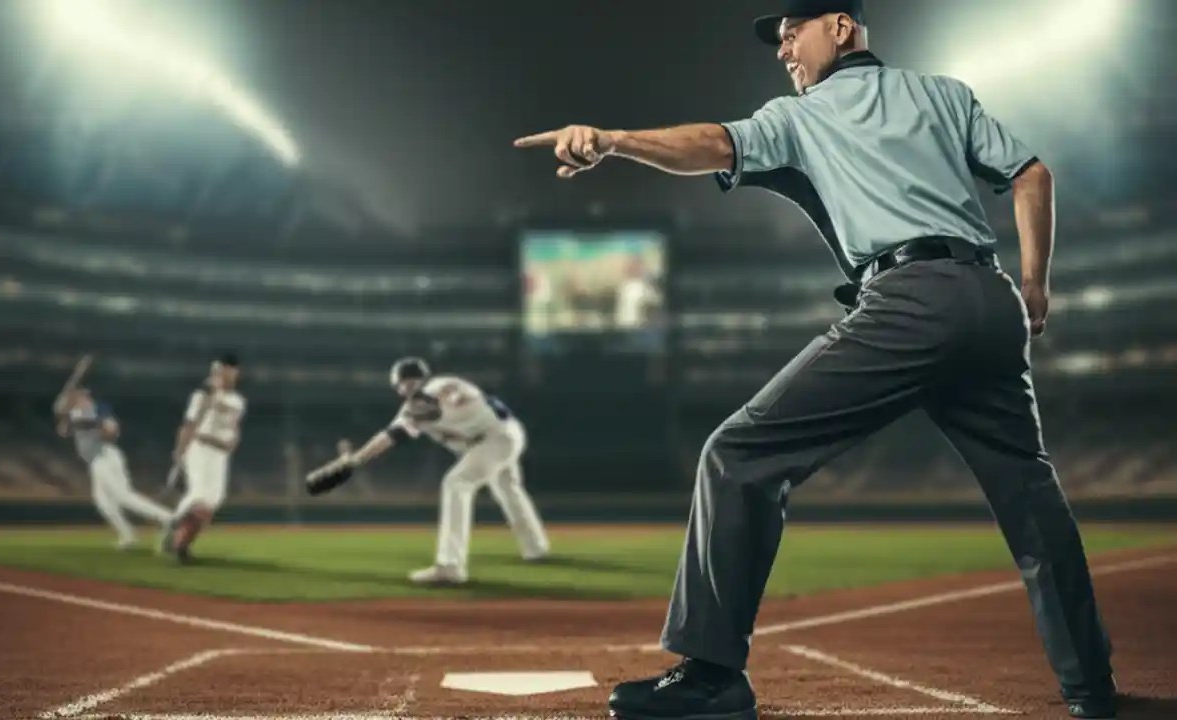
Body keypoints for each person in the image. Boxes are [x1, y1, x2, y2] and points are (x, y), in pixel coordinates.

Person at [513, 1, 1115, 718]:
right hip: (991, 301)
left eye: (791, 31)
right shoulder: (947, 93)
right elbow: (1033, 176)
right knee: (1030, 495)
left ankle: (711, 676)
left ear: (840, 26)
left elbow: (709, 142)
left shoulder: (799, 115)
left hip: (909, 301)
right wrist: (1035, 286)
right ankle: (1091, 688)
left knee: (738, 455)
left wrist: (611, 139)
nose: (782, 50)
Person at [306, 357, 550, 585]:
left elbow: (457, 391)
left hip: (498, 436)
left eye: (413, 380)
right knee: (507, 488)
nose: (408, 386)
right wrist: (356, 460)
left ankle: (451, 566)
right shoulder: (411, 412)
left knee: (457, 483)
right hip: (495, 439)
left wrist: (453, 396)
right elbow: (389, 437)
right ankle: (535, 547)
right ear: (398, 388)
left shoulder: (441, 386)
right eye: (404, 383)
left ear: (424, 379)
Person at [53, 387, 172, 549]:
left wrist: (70, 417)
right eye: (79, 398)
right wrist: (63, 415)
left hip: (106, 457)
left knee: (123, 496)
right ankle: (128, 535)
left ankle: (168, 518)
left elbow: (111, 432)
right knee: (103, 502)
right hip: (96, 462)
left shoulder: (98, 412)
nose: (83, 400)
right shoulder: (77, 415)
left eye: (84, 397)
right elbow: (64, 431)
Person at [160, 353, 246, 563]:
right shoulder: (200, 396)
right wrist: (179, 450)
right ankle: (174, 523)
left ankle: (182, 542)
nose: (230, 375)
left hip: (220, 453)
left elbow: (232, 423)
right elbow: (189, 425)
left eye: (233, 371)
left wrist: (233, 440)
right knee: (199, 493)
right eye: (226, 370)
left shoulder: (237, 401)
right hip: (200, 448)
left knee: (213, 500)